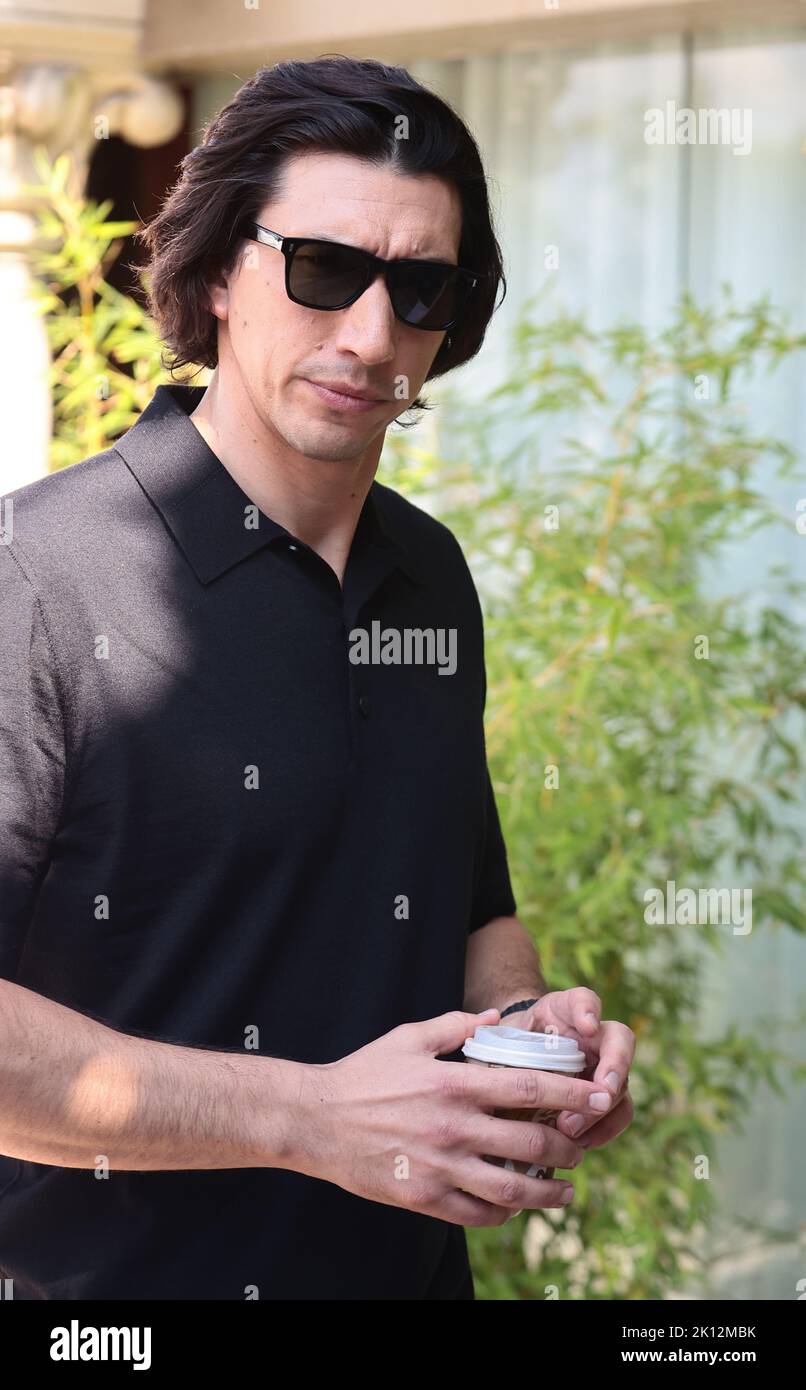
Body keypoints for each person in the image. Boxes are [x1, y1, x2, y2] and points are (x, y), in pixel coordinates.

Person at [0, 56, 634, 1300]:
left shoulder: (432, 576)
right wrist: (311, 1116)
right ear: (223, 272)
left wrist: (530, 1031)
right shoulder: (37, 579)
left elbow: (467, 909)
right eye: (323, 268)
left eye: (419, 288)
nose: (368, 334)